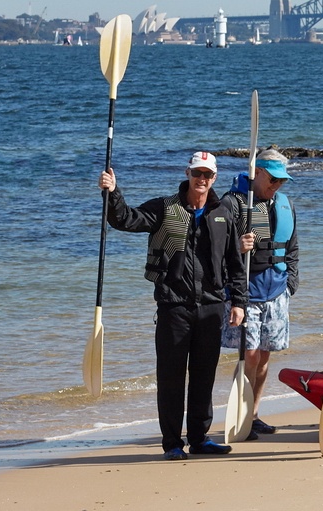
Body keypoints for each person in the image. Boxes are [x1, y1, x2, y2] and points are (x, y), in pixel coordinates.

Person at [99, 152, 247, 461]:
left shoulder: (223, 214)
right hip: (173, 307)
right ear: (188, 173)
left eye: (207, 174)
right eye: (197, 173)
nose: (201, 179)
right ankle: (172, 443)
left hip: (211, 307)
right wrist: (113, 193)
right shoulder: (165, 208)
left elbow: (235, 262)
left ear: (214, 177)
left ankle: (200, 438)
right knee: (171, 378)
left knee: (204, 376)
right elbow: (125, 219)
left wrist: (239, 302)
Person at [220, 149, 299, 439]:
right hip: (245, 292)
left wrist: (292, 283)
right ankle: (240, 415)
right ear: (258, 173)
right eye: (273, 179)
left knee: (264, 357)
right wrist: (238, 247)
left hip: (277, 290)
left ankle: (253, 415)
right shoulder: (232, 203)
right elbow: (213, 248)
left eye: (282, 180)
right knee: (249, 356)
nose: (277, 185)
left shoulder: (284, 204)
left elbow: (292, 248)